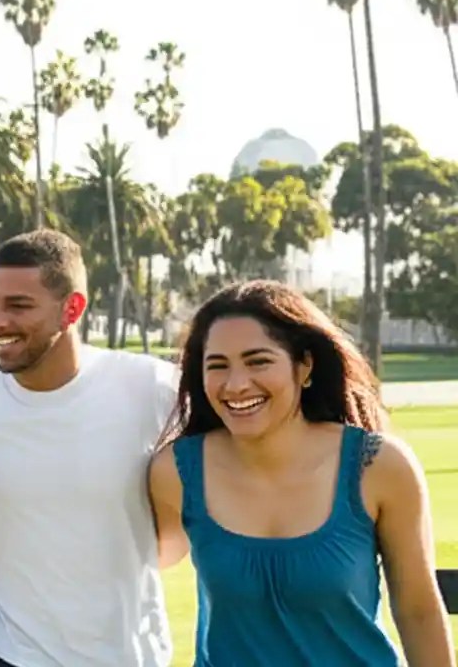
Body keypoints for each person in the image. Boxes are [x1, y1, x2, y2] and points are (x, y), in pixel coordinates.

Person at [148, 280, 454, 665]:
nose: (237, 384)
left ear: (304, 365)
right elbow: (133, 568)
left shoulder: (379, 467)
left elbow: (419, 612)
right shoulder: (175, 472)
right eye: (218, 365)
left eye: (258, 361)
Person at [0, 229, 178, 666]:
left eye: (18, 305)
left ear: (72, 308)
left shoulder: (153, 389)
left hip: (131, 658)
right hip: (11, 654)